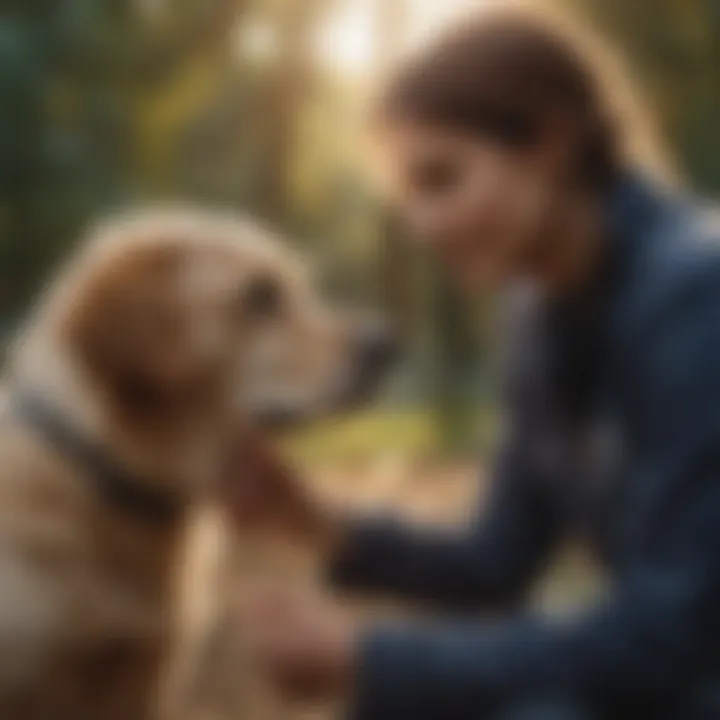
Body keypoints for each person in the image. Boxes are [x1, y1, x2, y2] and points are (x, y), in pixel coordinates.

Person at [233, 6, 720, 720]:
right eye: (409, 201)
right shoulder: (543, 316)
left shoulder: (694, 299)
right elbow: (499, 561)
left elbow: (671, 636)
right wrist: (316, 523)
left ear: (549, 142)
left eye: (443, 179)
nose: (425, 228)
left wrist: (368, 656)